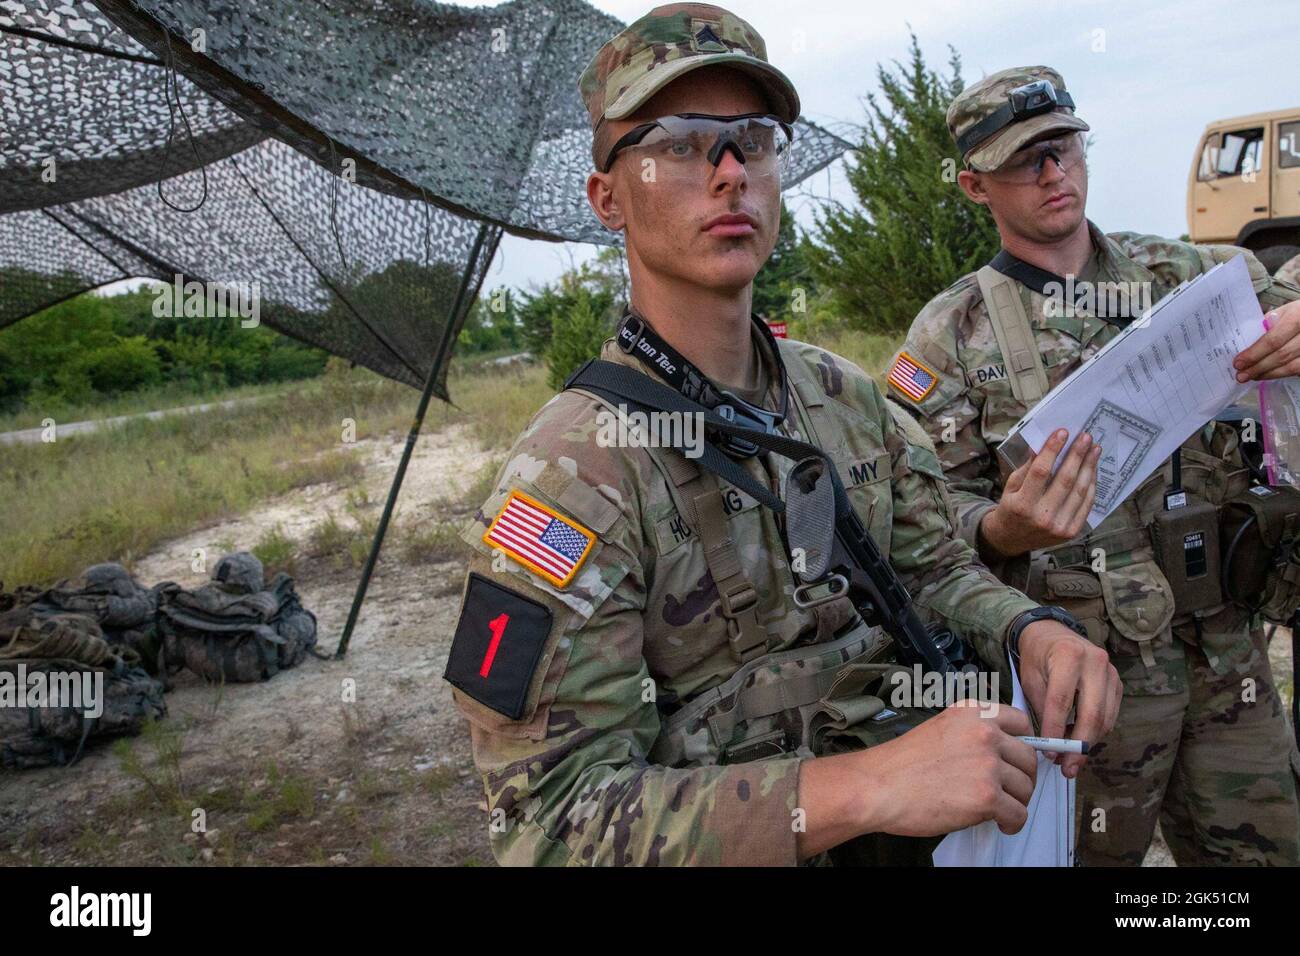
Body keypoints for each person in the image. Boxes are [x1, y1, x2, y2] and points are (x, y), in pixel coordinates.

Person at [444, 8, 1118, 867]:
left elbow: (932, 570)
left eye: (752, 141)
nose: (728, 173)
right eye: (681, 143)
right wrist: (869, 786)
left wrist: (1032, 629)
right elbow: (548, 821)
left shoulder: (842, 395)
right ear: (607, 196)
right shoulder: (574, 471)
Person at [891, 66, 1300, 866]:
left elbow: (1283, 311)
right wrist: (1002, 527)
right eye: (1025, 158)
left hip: (1228, 651)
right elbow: (920, 527)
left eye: (1063, 147)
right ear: (975, 185)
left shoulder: (1186, 278)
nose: (1053, 172)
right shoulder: (949, 336)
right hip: (1092, 680)